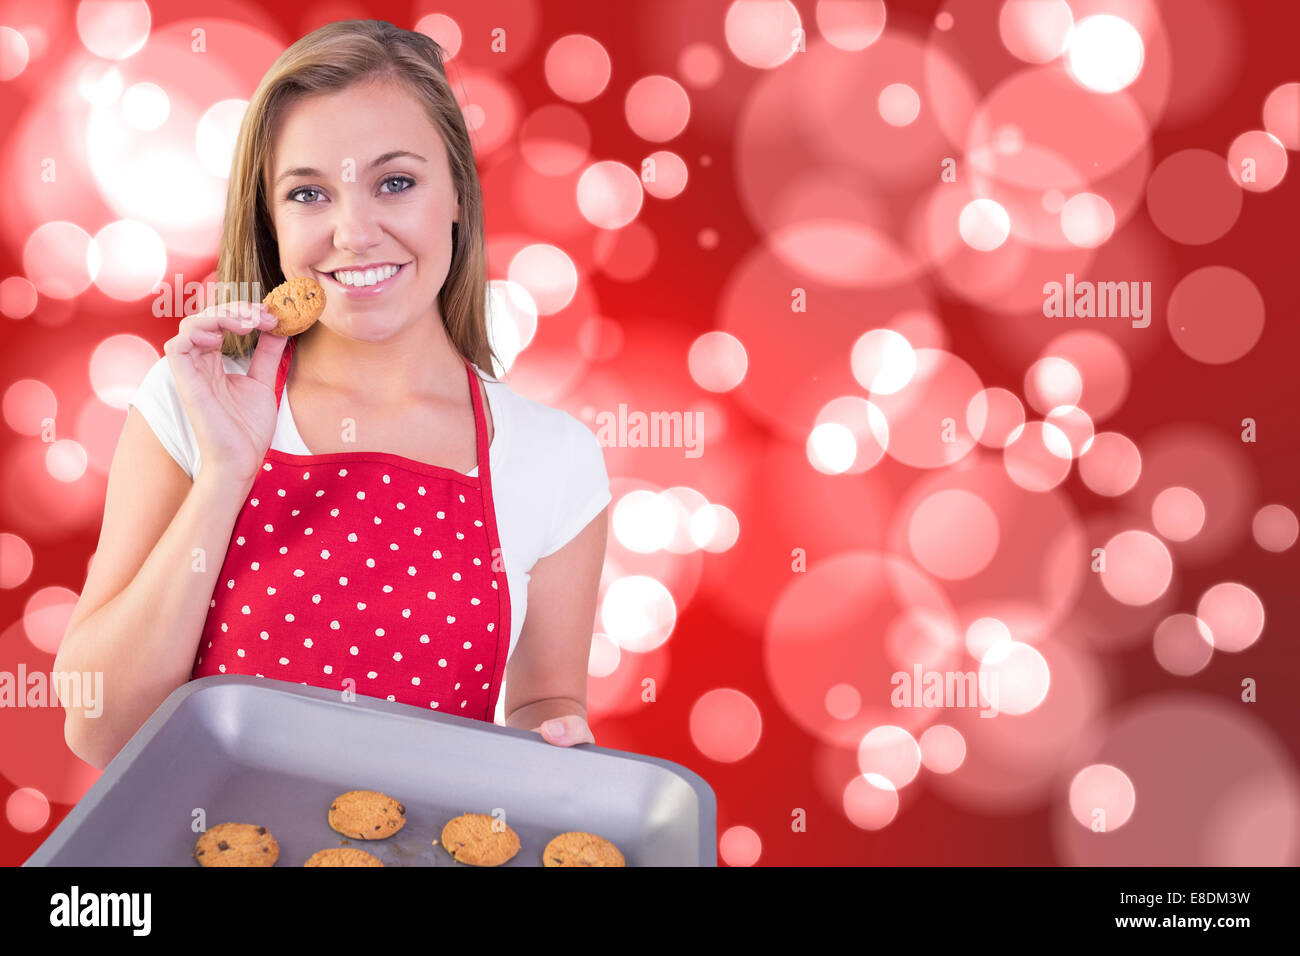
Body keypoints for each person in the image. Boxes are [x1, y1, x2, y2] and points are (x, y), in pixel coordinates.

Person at [55, 20, 610, 770]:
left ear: (456, 194)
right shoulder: (192, 399)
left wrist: (564, 742)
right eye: (310, 193)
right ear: (273, 222)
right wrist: (223, 476)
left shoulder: (554, 457)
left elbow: (546, 706)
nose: (354, 233)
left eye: (396, 183)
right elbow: (98, 729)